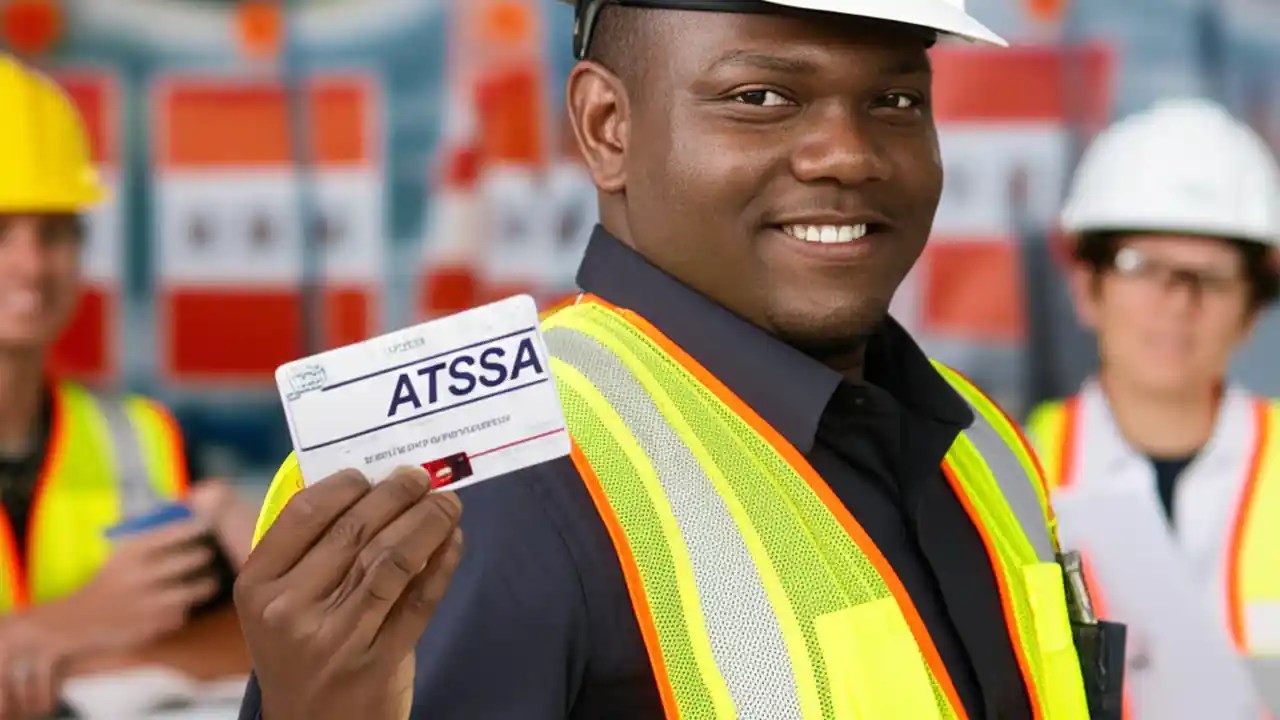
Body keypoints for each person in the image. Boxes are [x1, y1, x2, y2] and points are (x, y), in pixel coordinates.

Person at [234, 1, 1106, 718]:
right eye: (761, 97)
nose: (849, 153)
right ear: (607, 127)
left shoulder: (979, 441)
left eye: (896, 102)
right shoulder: (499, 471)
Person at [0, 55, 260, 719]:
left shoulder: (144, 438)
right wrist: (68, 620)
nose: (31, 264)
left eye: (55, 232)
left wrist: (99, 658)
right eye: (1, 231)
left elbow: (256, 647)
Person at [1025, 98, 1280, 719]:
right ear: (1088, 289)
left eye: (1211, 277)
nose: (1177, 304)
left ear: (1251, 311)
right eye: (1144, 268)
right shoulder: (1012, 474)